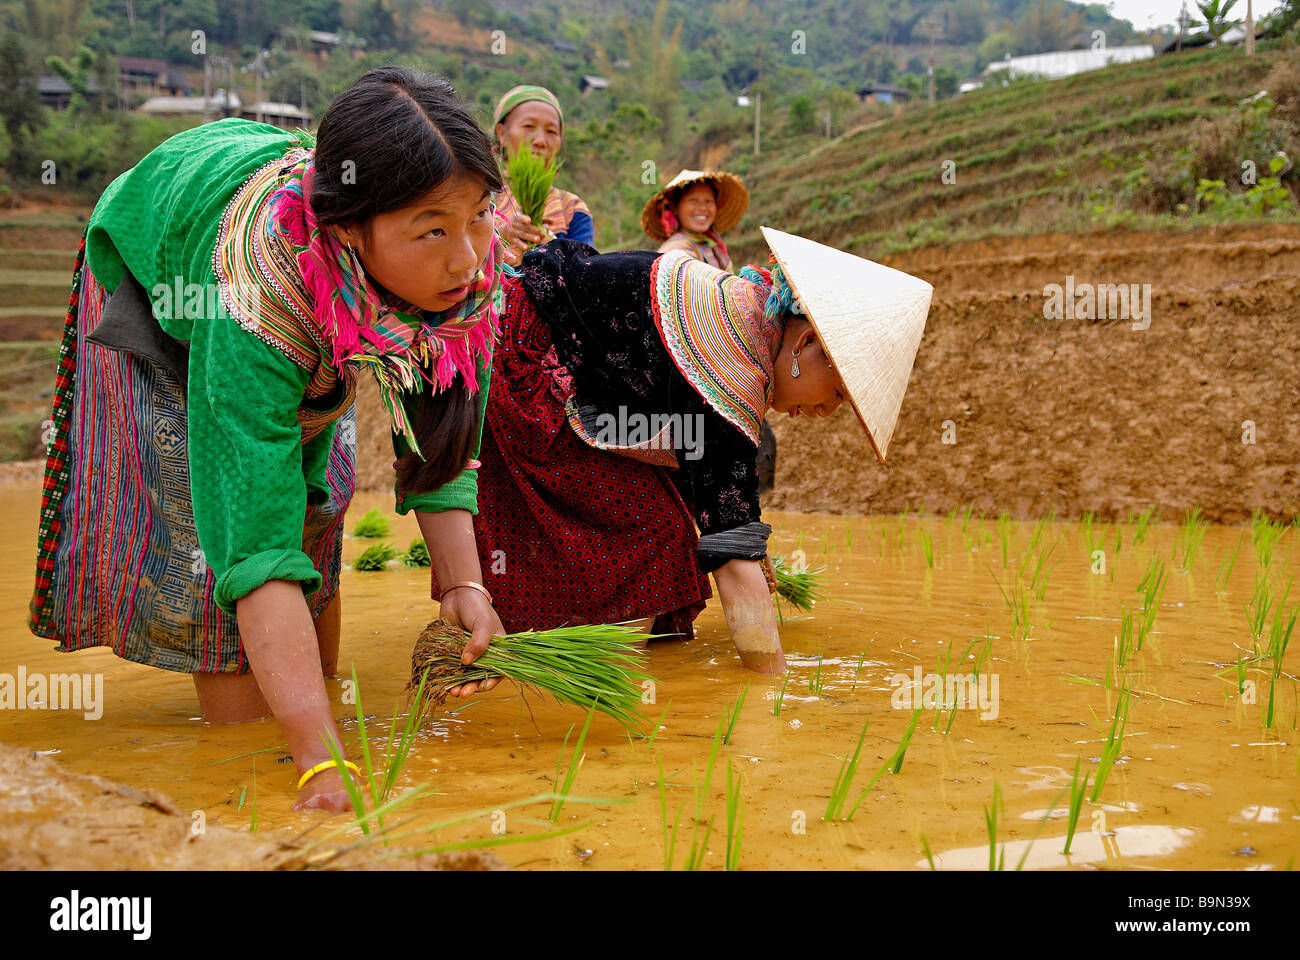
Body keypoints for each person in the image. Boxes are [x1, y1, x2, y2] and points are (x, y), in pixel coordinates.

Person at [28, 66, 508, 813]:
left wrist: (464, 585)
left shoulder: (463, 268)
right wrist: (318, 764)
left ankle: (309, 696)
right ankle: (259, 733)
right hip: (168, 279)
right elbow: (254, 543)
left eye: (478, 214)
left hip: (317, 298)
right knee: (209, 530)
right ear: (349, 229)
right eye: (434, 229)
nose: (468, 256)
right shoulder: (251, 302)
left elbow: (438, 429)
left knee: (327, 493)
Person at [442, 227, 932, 675]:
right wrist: (772, 682)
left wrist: (749, 549)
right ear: (806, 343)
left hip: (532, 343)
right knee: (653, 535)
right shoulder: (731, 372)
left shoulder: (739, 307)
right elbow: (731, 561)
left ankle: (570, 652)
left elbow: (710, 493)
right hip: (508, 367)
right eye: (838, 393)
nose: (828, 411)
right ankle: (570, 666)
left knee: (668, 529)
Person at [491, 84, 594, 265]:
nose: (540, 141)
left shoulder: (572, 209)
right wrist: (501, 236)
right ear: (502, 134)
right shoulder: (480, 198)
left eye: (551, 131)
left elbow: (588, 276)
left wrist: (555, 249)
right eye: (529, 126)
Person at [643, 169, 749, 273]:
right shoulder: (675, 251)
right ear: (675, 207)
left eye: (708, 201)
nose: (703, 208)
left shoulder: (711, 245)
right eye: (693, 200)